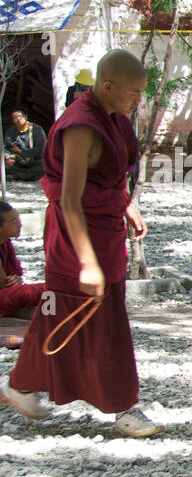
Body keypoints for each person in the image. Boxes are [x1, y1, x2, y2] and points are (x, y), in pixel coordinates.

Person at [0, 49, 160, 437]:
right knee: (92, 316)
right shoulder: (82, 127)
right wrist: (87, 262)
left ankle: (20, 385)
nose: (138, 100)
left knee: (67, 311)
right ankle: (124, 407)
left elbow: (111, 176)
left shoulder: (112, 116)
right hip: (76, 236)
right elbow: (71, 198)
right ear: (107, 87)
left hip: (102, 227)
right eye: (134, 93)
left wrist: (127, 205)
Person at [0, 202, 44, 318]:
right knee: (30, 292)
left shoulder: (5, 243)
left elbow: (16, 275)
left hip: (6, 293)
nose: (20, 225)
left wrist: (16, 279)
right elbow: (4, 285)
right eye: (14, 222)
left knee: (49, 288)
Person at [4, 110, 46, 181]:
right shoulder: (11, 132)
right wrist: (7, 157)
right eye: (15, 118)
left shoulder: (37, 129)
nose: (18, 119)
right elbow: (6, 146)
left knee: (45, 165)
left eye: (20, 116)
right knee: (4, 166)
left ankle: (19, 176)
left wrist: (21, 151)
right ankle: (29, 176)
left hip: (35, 160)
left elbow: (41, 149)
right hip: (19, 162)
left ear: (25, 117)